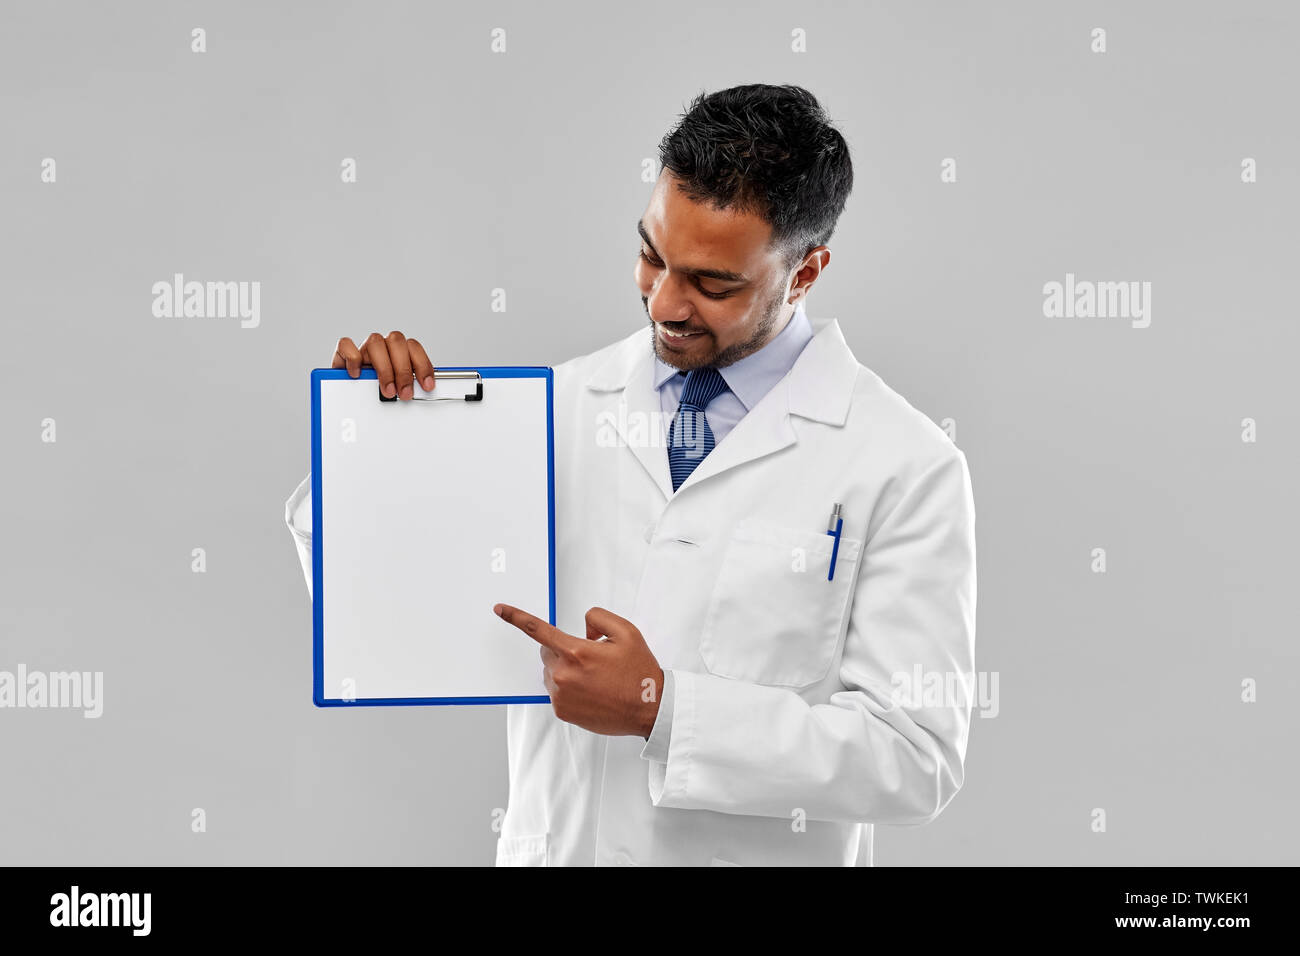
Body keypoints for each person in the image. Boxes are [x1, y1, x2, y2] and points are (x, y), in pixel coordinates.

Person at [285, 83, 977, 866]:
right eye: (652, 255)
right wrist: (371, 454)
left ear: (807, 271)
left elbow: (915, 759)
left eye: (714, 284)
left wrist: (665, 712)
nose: (664, 303)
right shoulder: (557, 408)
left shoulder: (904, 464)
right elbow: (400, 621)